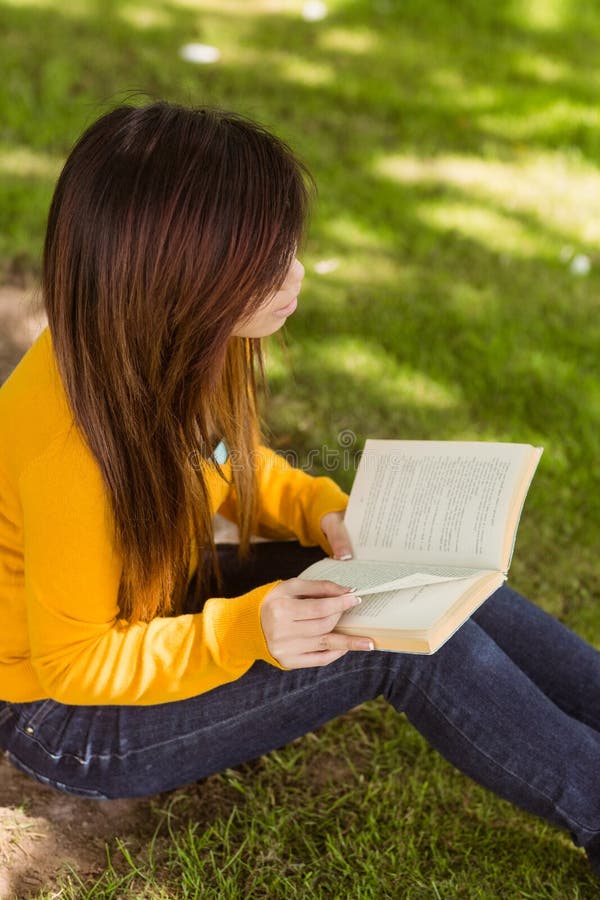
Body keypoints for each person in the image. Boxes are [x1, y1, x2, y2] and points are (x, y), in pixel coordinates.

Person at [0, 101, 598, 878]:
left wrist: (316, 506)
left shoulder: (141, 345)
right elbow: (76, 664)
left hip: (148, 605)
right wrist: (246, 631)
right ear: (182, 283)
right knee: (384, 648)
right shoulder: (71, 447)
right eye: (267, 262)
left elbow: (221, 459)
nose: (298, 275)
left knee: (419, 567)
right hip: (65, 716)